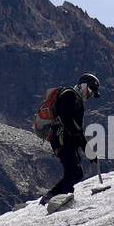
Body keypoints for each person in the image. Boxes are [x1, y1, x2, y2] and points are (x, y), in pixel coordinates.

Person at [41, 73, 101, 204]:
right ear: (83, 86)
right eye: (90, 91)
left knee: (77, 173)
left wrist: (89, 152)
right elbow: (67, 119)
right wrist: (86, 148)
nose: (90, 96)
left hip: (67, 140)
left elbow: (77, 130)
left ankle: (53, 197)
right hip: (61, 139)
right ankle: (58, 199)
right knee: (73, 171)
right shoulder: (69, 95)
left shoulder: (77, 101)